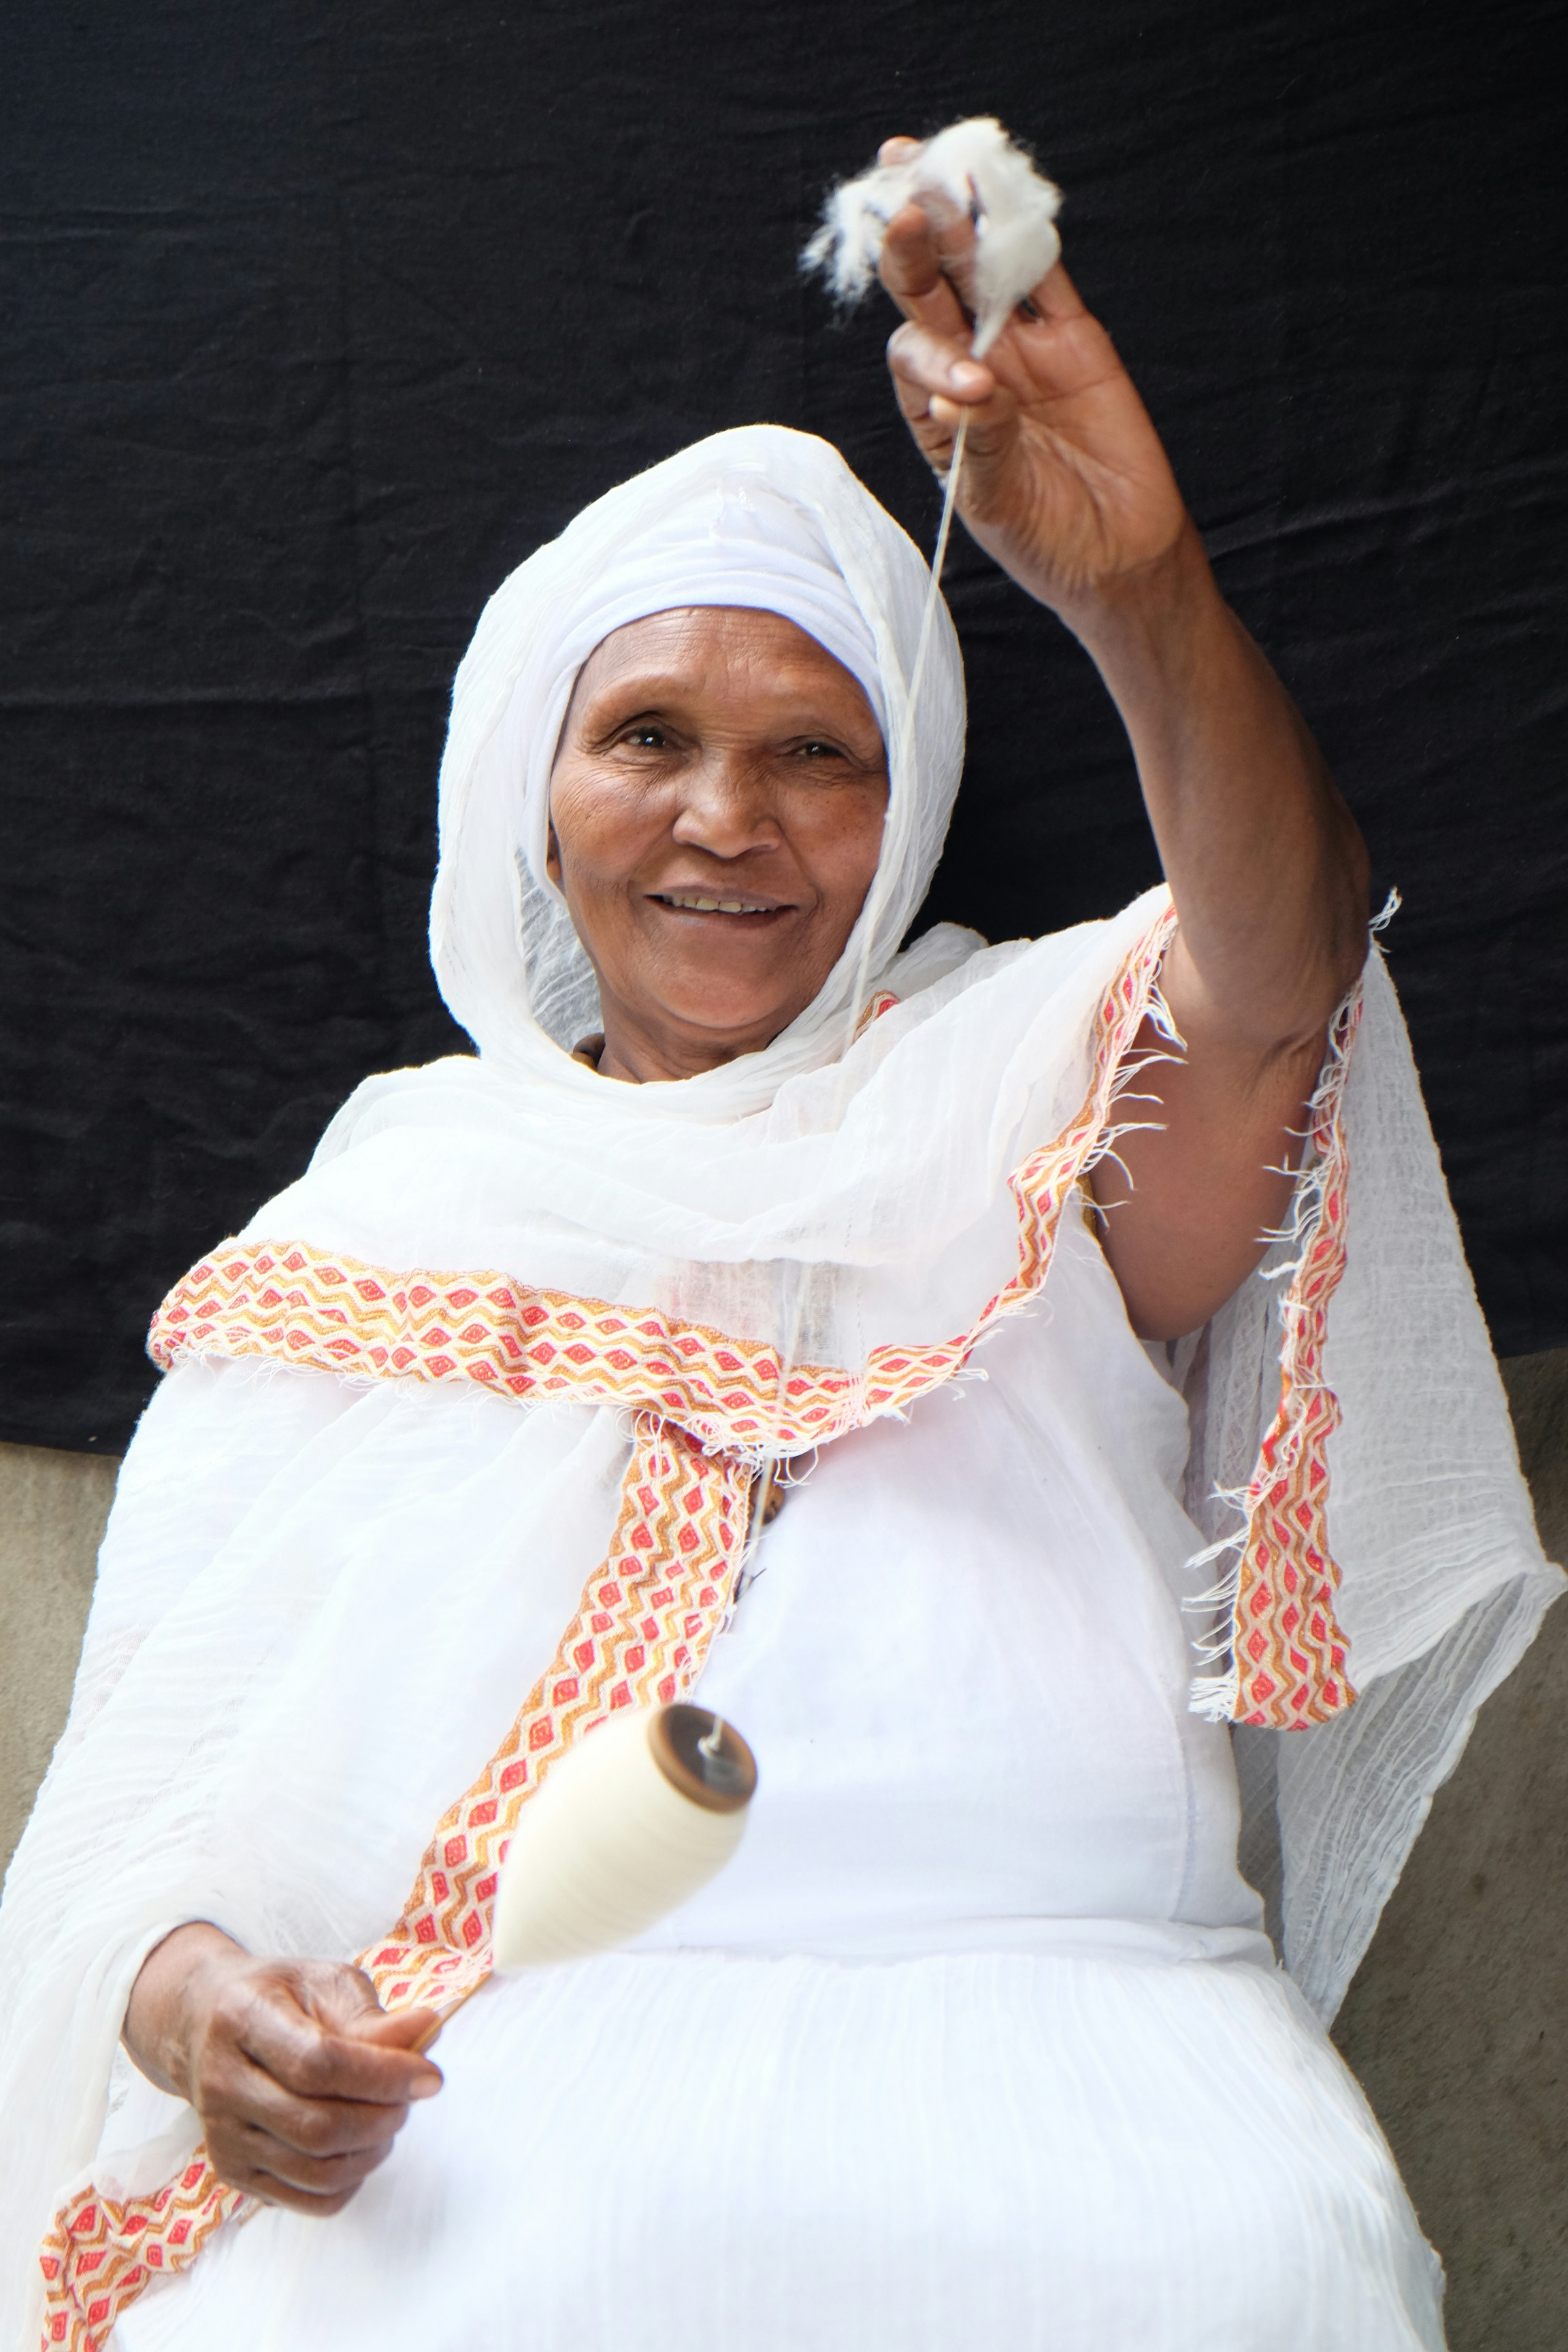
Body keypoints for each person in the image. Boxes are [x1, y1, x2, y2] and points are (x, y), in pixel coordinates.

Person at [1, 155, 1558, 2352]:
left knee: (1244, 2273)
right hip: (480, 2076)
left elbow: (1275, 971)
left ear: (905, 802)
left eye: (815, 756)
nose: (728, 820)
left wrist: (1137, 595)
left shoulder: (1026, 1089)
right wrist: (204, 2022)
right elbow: (133, 1821)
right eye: (649, 738)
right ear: (530, 798)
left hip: (1078, 2063)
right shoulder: (383, 1212)